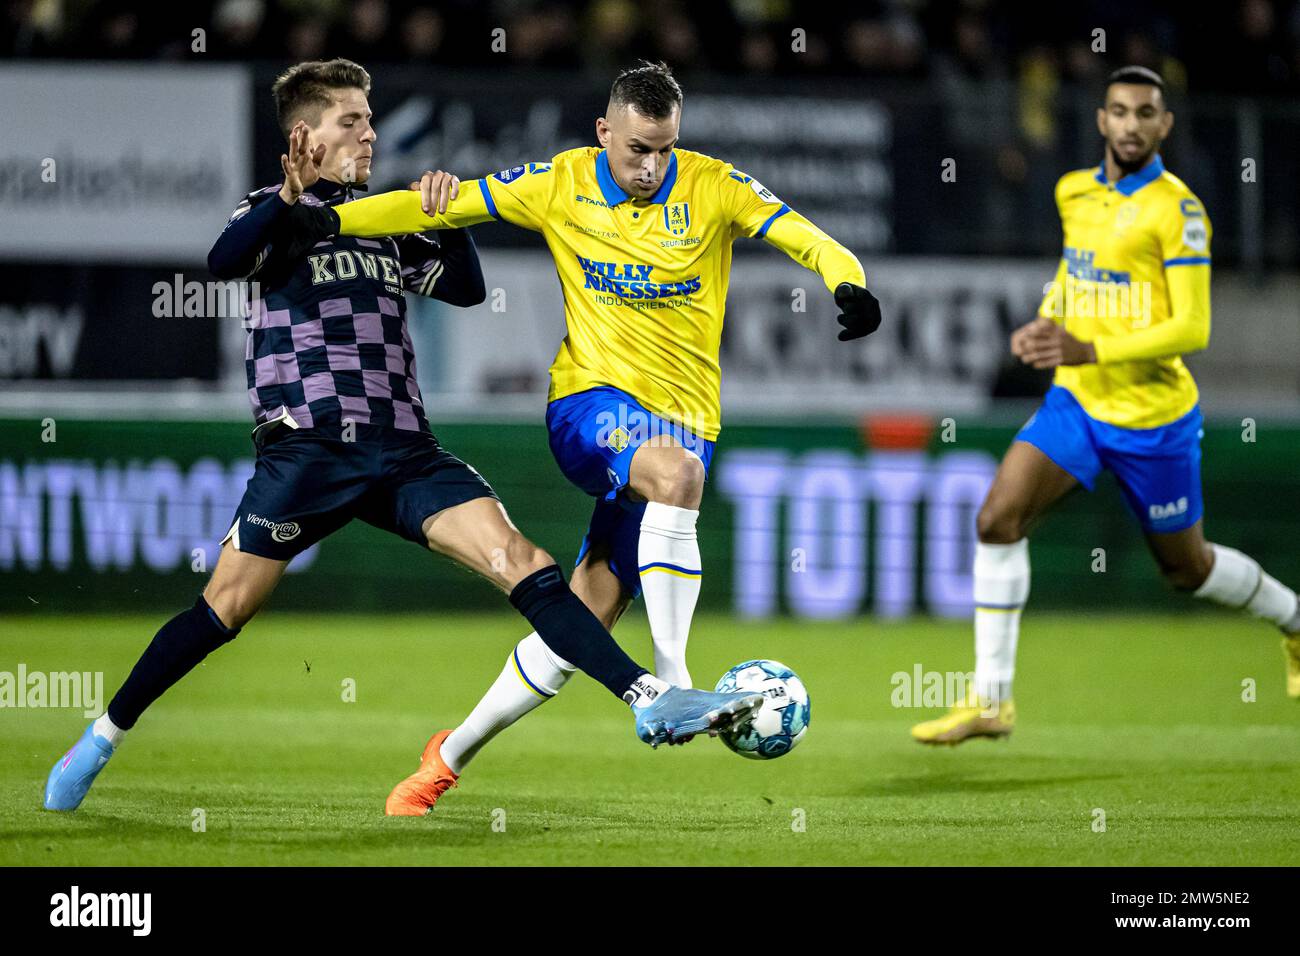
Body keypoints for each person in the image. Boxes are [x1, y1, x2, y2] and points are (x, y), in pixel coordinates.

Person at [43, 58, 763, 814]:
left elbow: (464, 288)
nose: (369, 133)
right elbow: (224, 261)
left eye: (369, 118)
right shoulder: (276, 215)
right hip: (309, 449)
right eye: (350, 120)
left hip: (403, 449)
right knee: (224, 608)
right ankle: (100, 738)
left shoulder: (384, 221)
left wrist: (446, 220)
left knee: (524, 560)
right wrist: (288, 196)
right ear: (304, 136)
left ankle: (650, 698)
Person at [284, 60, 883, 812]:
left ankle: (445, 758)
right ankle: (672, 683)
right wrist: (325, 219)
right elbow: (437, 207)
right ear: (605, 132)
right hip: (587, 408)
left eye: (664, 148)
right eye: (637, 148)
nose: (651, 165)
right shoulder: (560, 181)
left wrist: (848, 282)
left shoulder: (713, 185)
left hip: (682, 427)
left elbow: (809, 238)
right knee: (677, 479)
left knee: (584, 614)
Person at [911, 65, 1300, 745]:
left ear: (1164, 125)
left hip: (1152, 416)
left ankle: (1294, 620)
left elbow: (1192, 328)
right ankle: (992, 701)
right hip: (1078, 405)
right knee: (998, 519)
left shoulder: (1177, 211)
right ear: (1101, 120)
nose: (1130, 124)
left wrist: (1089, 347)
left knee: (1188, 568)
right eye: (1118, 111)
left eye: (1145, 113)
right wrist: (1049, 320)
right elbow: (1075, 270)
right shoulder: (1074, 192)